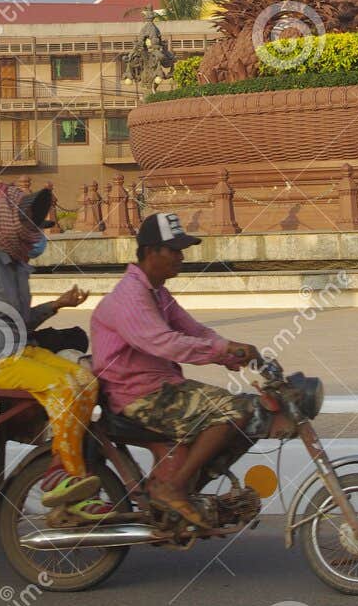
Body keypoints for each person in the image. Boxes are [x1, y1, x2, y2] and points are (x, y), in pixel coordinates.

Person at [90, 212, 264, 529]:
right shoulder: (130, 297)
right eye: (174, 250)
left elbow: (195, 331)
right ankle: (173, 489)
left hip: (163, 388)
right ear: (151, 252)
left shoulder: (158, 294)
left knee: (252, 417)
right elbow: (165, 344)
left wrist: (233, 350)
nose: (181, 258)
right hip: (137, 396)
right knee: (235, 410)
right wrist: (222, 351)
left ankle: (183, 496)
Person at [0, 182, 105, 517]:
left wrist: (57, 305)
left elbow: (19, 321)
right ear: (9, 222)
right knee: (65, 388)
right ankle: (67, 477)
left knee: (86, 380)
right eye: (29, 222)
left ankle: (57, 467)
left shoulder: (18, 266)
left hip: (20, 351)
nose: (34, 230)